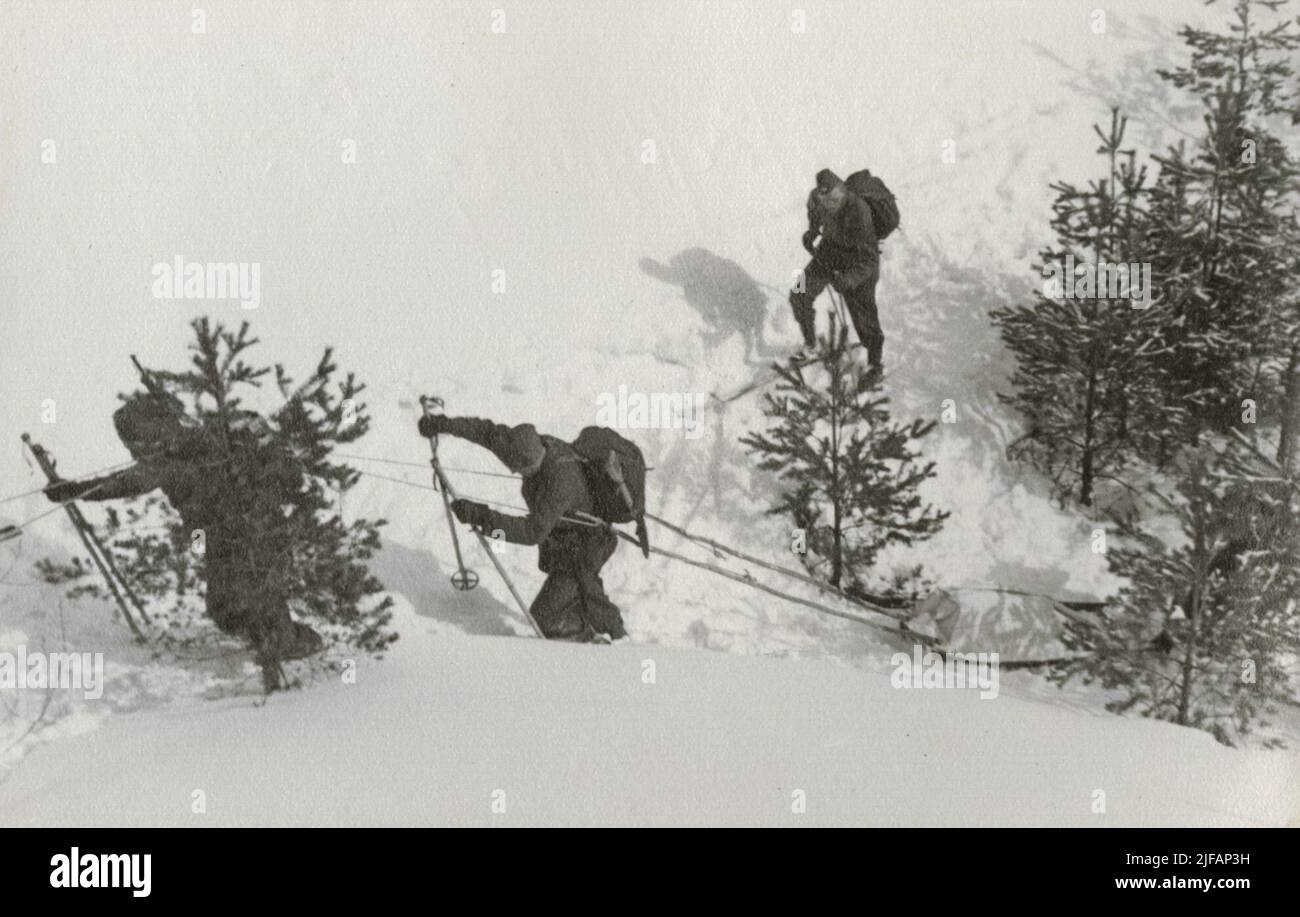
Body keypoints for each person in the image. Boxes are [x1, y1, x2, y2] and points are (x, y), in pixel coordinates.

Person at [44, 389, 323, 686]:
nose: (133, 449)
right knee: (227, 606)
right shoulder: (195, 440)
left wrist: (75, 491)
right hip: (227, 533)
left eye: (133, 441)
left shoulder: (174, 458)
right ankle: (270, 638)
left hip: (248, 531)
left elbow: (127, 483)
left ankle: (286, 646)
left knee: (250, 598)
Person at [416, 413, 626, 642]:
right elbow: (486, 432)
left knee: (544, 618)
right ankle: (591, 618)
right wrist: (444, 424)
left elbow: (531, 532)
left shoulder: (561, 482)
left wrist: (483, 517)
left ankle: (593, 641)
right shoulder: (524, 443)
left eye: (520, 469)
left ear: (533, 462)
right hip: (564, 545)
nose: (516, 473)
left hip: (586, 547)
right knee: (576, 593)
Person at [789, 168, 885, 373]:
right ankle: (811, 345)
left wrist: (849, 280)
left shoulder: (859, 211)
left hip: (859, 261)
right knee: (799, 294)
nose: (830, 205)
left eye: (834, 199)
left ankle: (875, 365)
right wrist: (812, 232)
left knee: (863, 314)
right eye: (826, 200)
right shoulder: (817, 198)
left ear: (841, 192)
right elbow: (815, 214)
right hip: (830, 251)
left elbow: (870, 260)